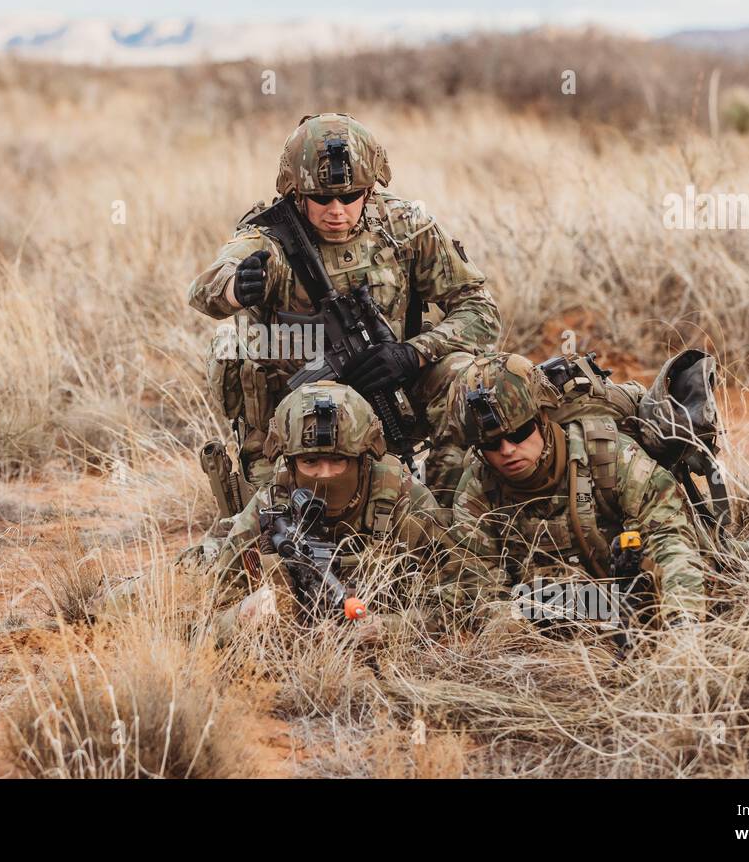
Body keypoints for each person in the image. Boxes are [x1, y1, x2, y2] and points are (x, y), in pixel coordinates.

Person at [189, 112, 500, 502]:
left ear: (369, 190)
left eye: (350, 196)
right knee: (290, 524)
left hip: (390, 384)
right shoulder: (270, 236)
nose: (336, 210)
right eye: (321, 198)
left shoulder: (404, 226)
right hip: (298, 416)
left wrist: (411, 354)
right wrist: (236, 288)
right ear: (296, 192)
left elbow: (481, 312)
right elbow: (205, 288)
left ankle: (444, 508)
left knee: (468, 375)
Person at [438, 353, 708, 631]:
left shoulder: (609, 457)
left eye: (519, 433)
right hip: (539, 630)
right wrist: (526, 622)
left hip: (638, 612)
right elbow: (478, 587)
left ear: (543, 417)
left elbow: (671, 541)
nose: (507, 450)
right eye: (491, 444)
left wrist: (682, 623)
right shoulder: (478, 488)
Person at [207, 381, 445, 644]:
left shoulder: (403, 497)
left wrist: (387, 628)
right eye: (310, 462)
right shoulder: (272, 504)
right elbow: (208, 623)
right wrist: (243, 614)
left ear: (362, 459)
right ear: (290, 462)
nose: (326, 474)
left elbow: (456, 604)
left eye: (338, 460)